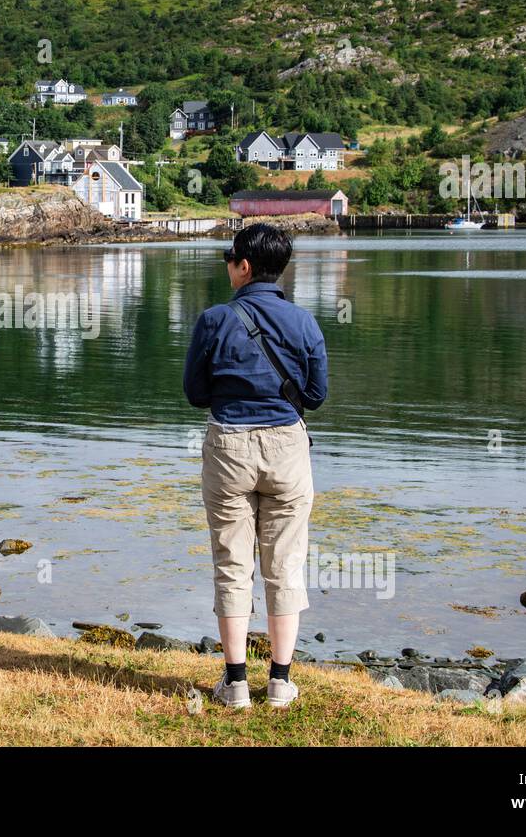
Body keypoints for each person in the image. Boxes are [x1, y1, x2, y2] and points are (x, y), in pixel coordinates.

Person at [182, 223, 328, 709]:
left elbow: (195, 394)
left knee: (232, 563)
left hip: (229, 445)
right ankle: (282, 682)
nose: (228, 265)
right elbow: (316, 395)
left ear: (244, 266)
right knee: (285, 565)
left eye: (230, 259)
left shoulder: (214, 320)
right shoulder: (304, 321)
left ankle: (236, 683)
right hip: (287, 446)